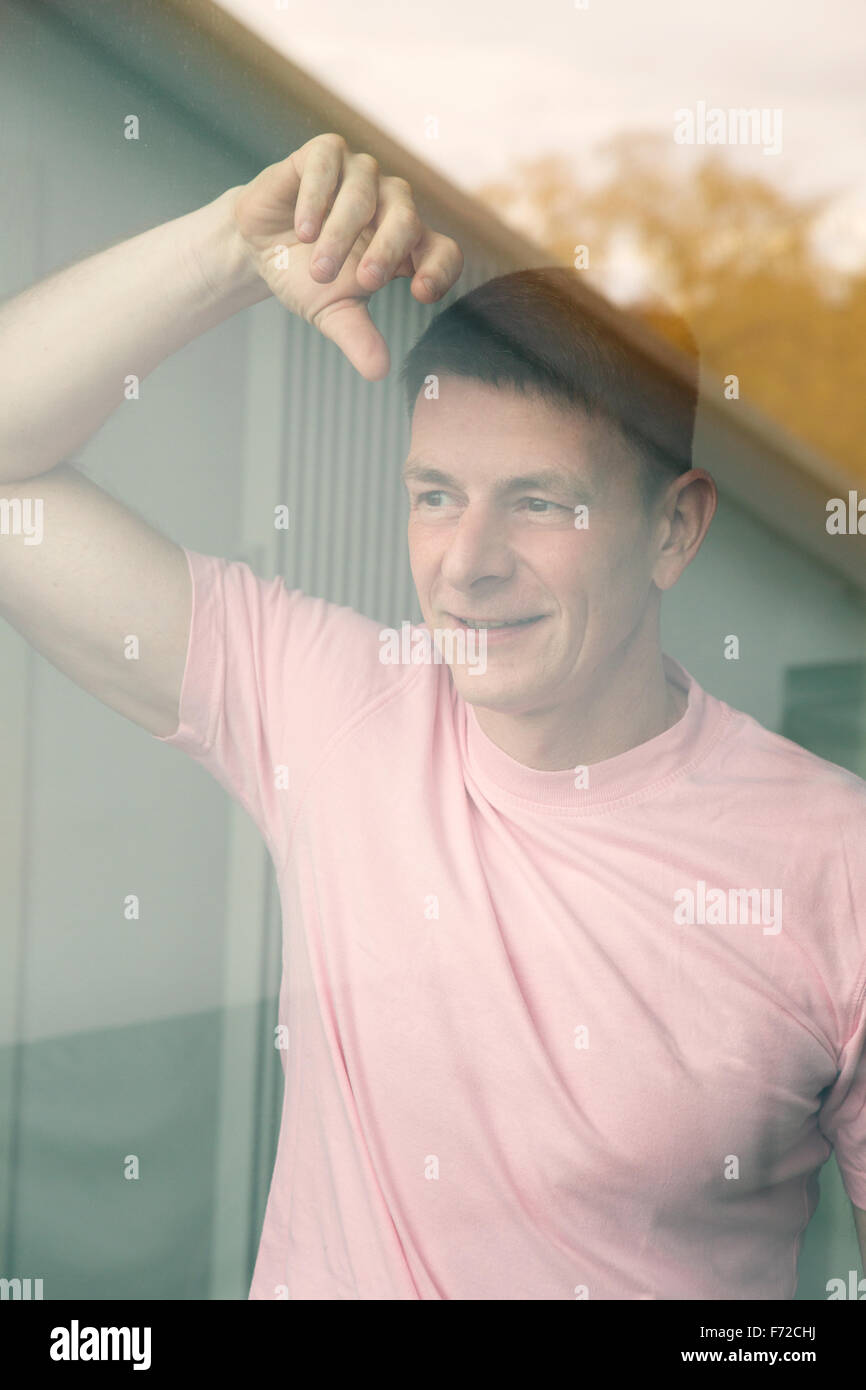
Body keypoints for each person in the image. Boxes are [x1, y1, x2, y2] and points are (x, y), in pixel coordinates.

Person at [1, 131, 864, 1301]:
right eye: (435, 496)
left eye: (538, 503)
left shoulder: (834, 862)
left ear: (672, 529)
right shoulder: (331, 707)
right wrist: (228, 249)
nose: (466, 564)